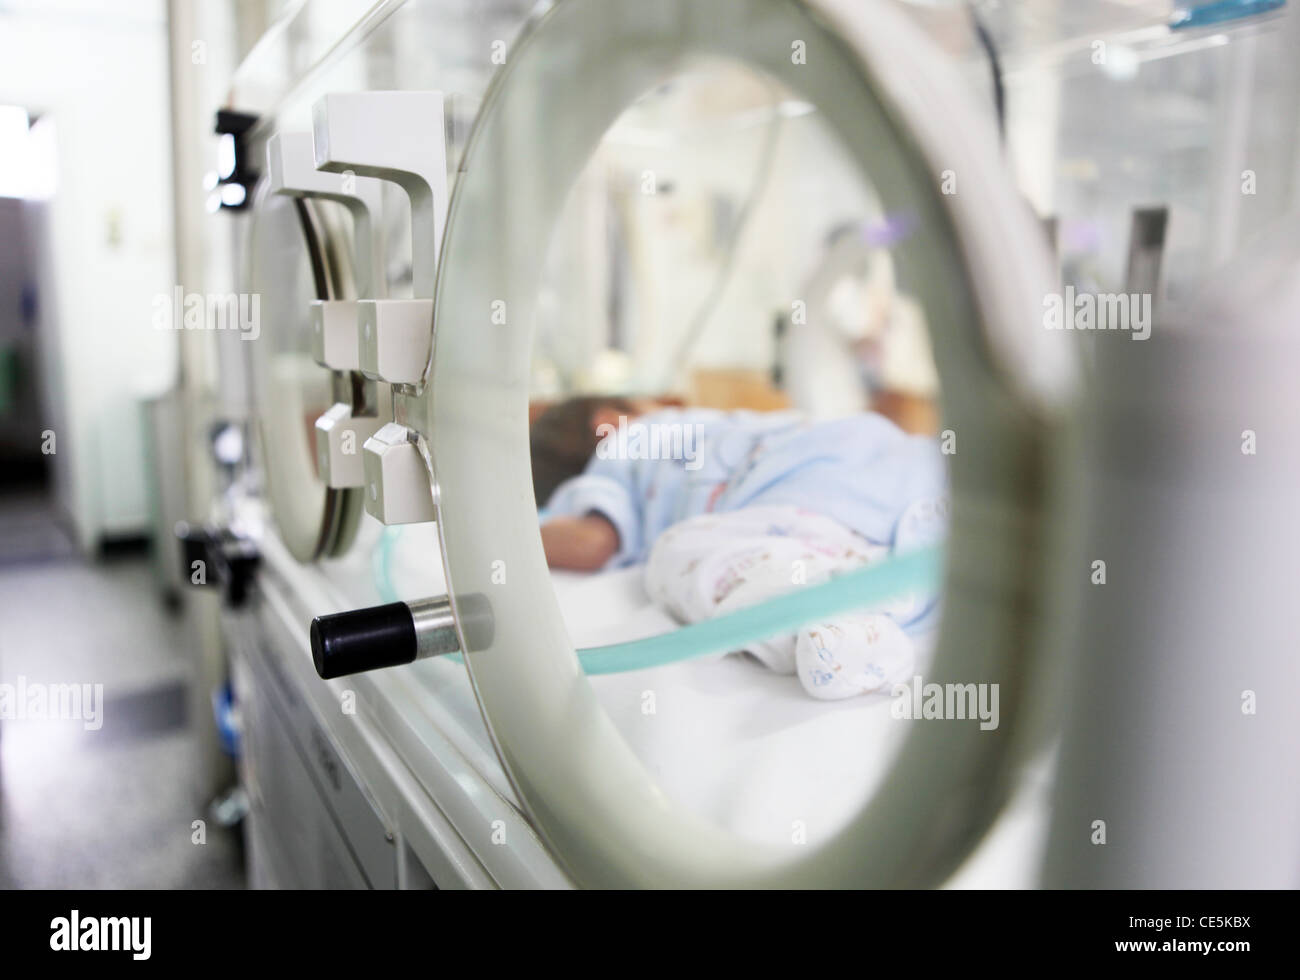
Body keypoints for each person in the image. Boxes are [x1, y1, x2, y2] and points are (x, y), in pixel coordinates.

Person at [532, 396, 948, 699]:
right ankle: (881, 589)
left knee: (679, 549)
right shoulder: (638, 444)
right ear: (606, 420)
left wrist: (515, 530)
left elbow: (594, 541)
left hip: (804, 497)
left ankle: (844, 621)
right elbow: (594, 537)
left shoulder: (631, 447)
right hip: (901, 464)